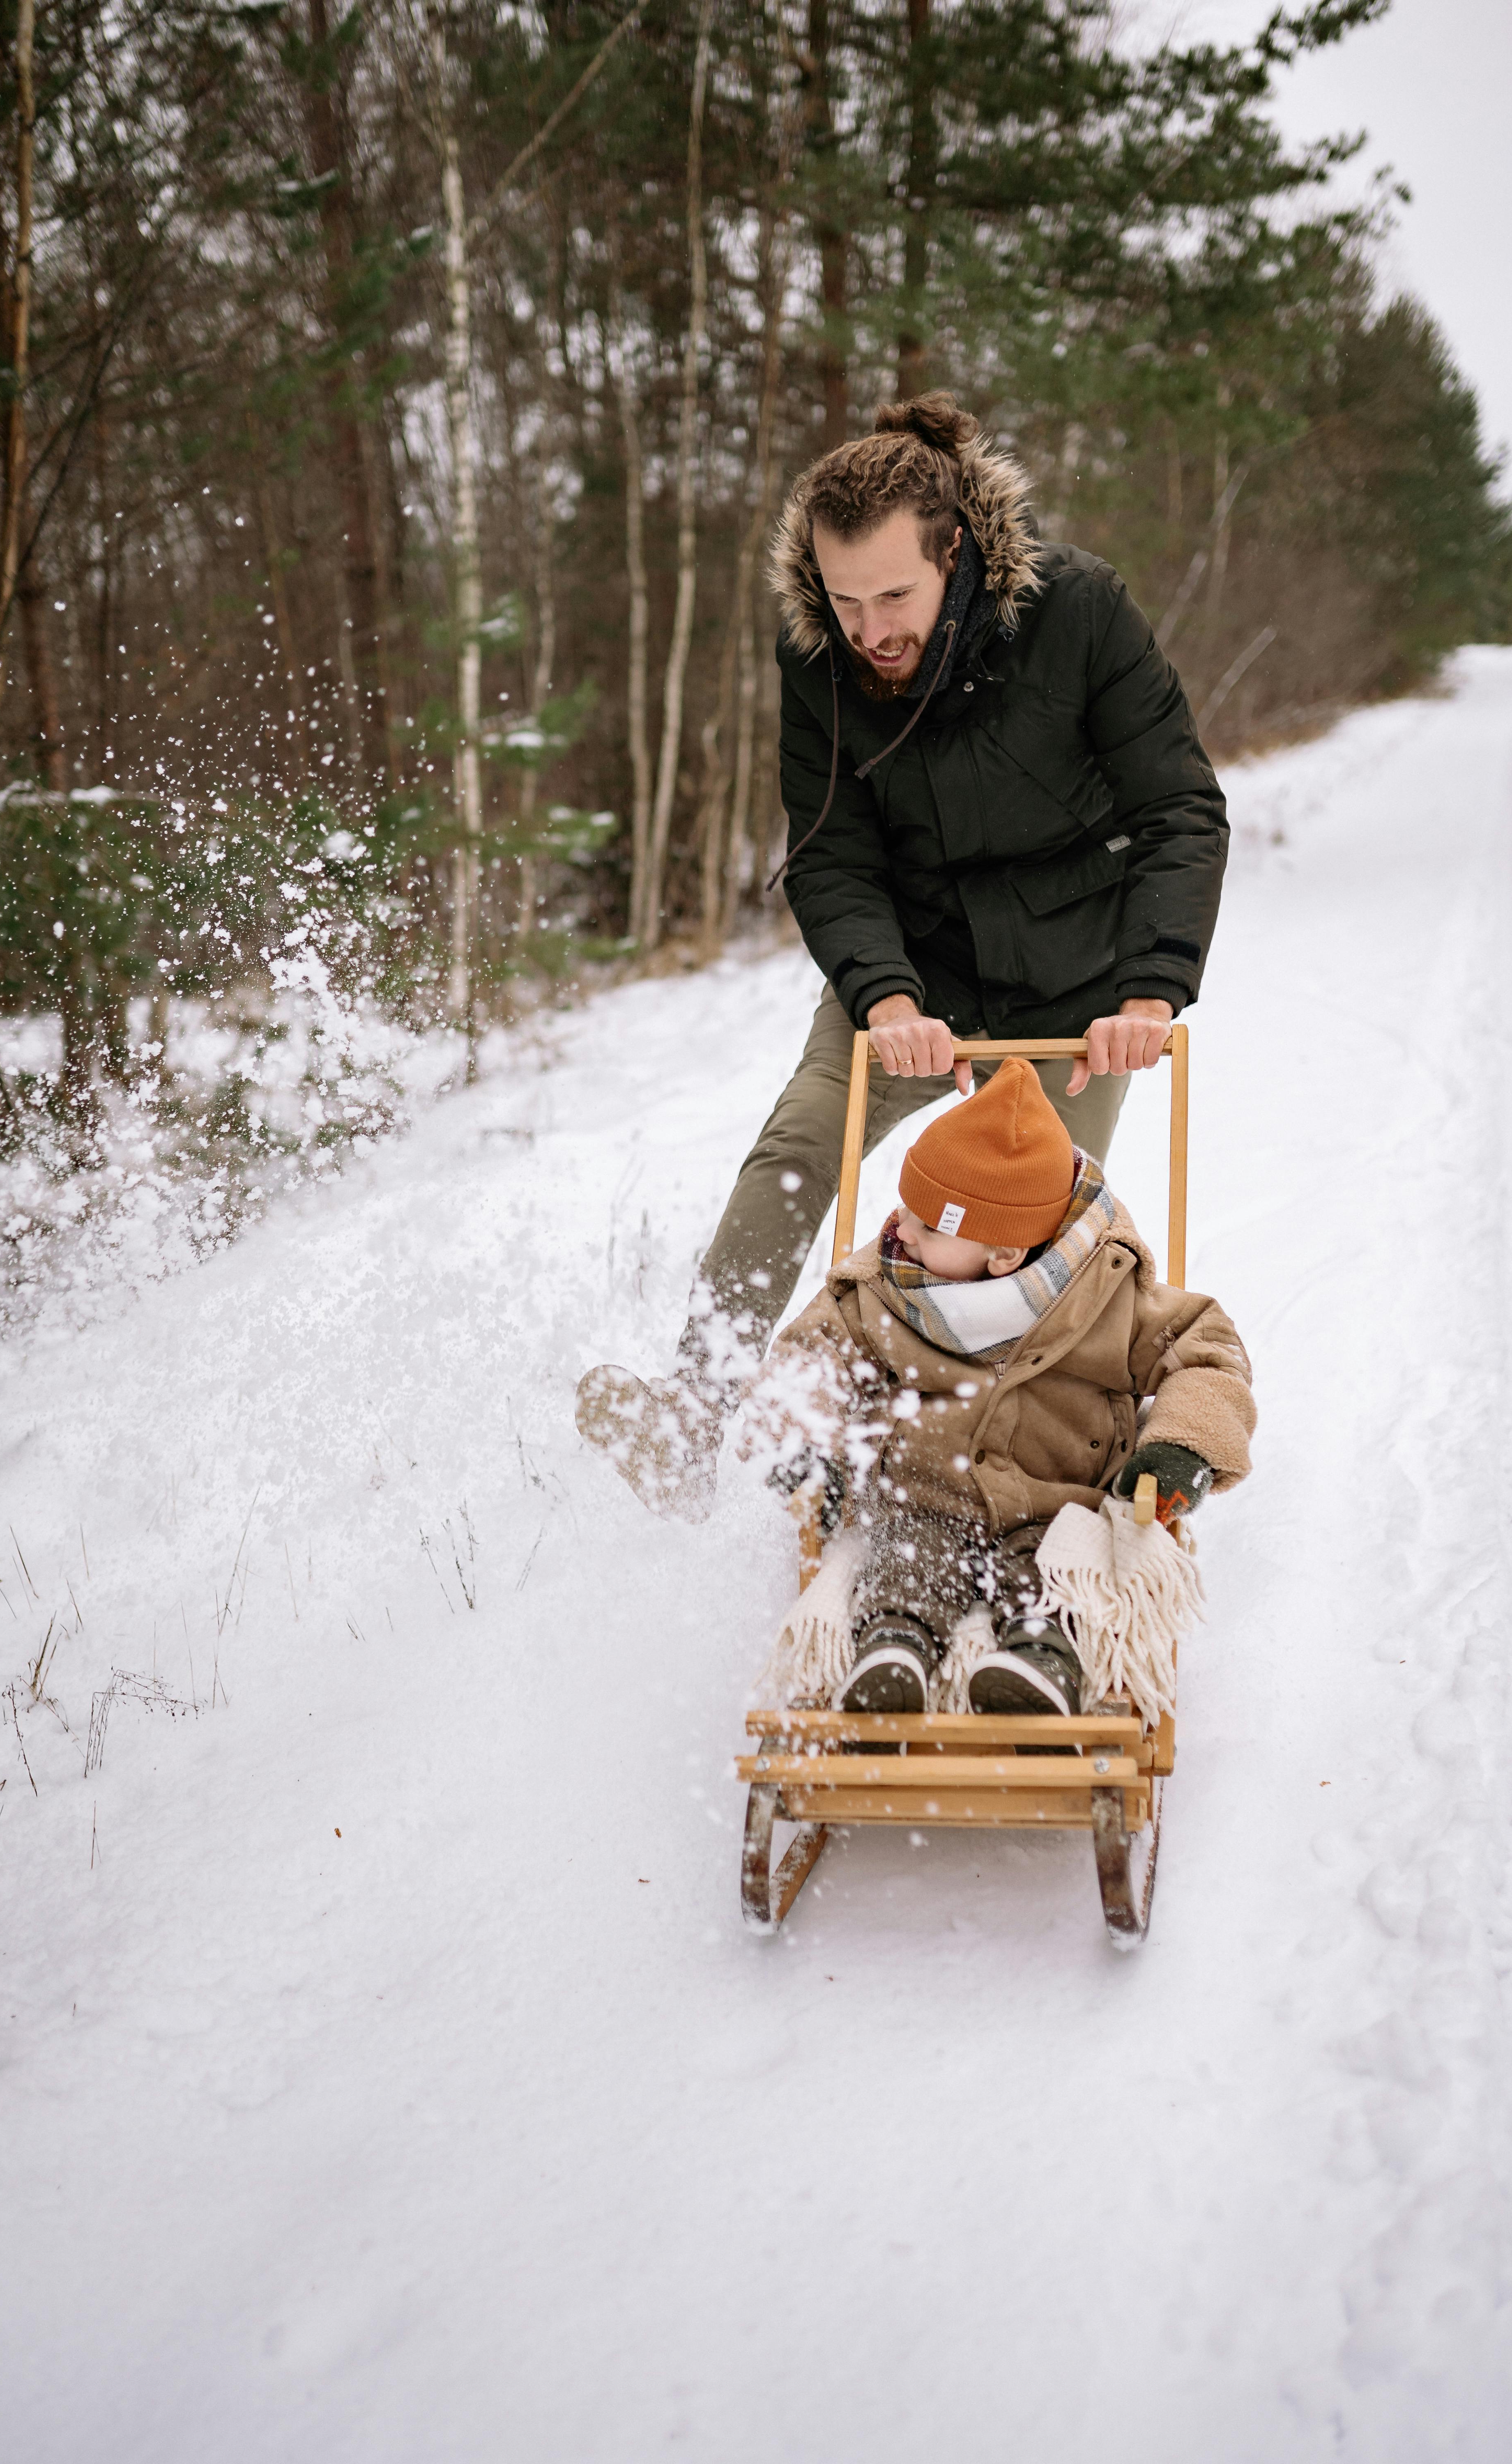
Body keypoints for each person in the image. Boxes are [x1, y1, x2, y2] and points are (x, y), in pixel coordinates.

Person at [578, 390, 1228, 1522]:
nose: (870, 626)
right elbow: (830, 856)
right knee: (801, 1137)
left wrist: (1149, 988)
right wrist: (883, 998)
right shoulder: (823, 659)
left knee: (1035, 1242)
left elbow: (1179, 808)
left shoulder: (1079, 612)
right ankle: (696, 1406)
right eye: (845, 598)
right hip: (919, 974)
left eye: (895, 596)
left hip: (1079, 987)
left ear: (958, 554)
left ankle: (1023, 1479)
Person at [743, 1059, 1254, 1717]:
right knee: (907, 1562)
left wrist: (1184, 1445)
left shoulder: (1109, 1293)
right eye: (905, 1209)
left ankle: (1038, 1664)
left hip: (1055, 1504)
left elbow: (1208, 1355)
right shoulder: (879, 1289)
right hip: (926, 1496)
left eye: (930, 1225)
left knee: (1055, 1573)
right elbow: (811, 1359)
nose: (900, 1229)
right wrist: (807, 1442)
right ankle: (893, 1648)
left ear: (1006, 1256)